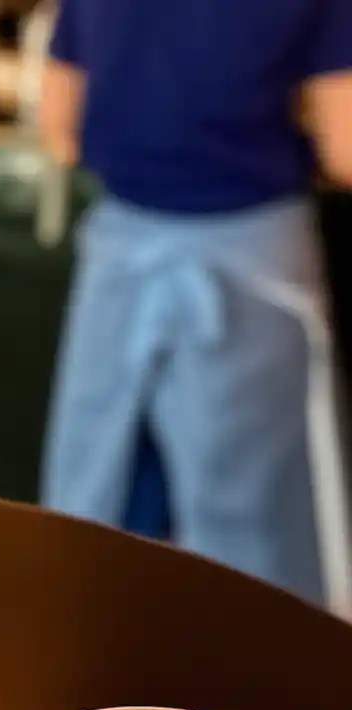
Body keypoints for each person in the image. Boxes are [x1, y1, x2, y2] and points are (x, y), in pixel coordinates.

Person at [40, 0, 352, 609]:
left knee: (94, 504)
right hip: (253, 261)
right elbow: (347, 148)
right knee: (260, 549)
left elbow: (58, 125)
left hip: (120, 258)